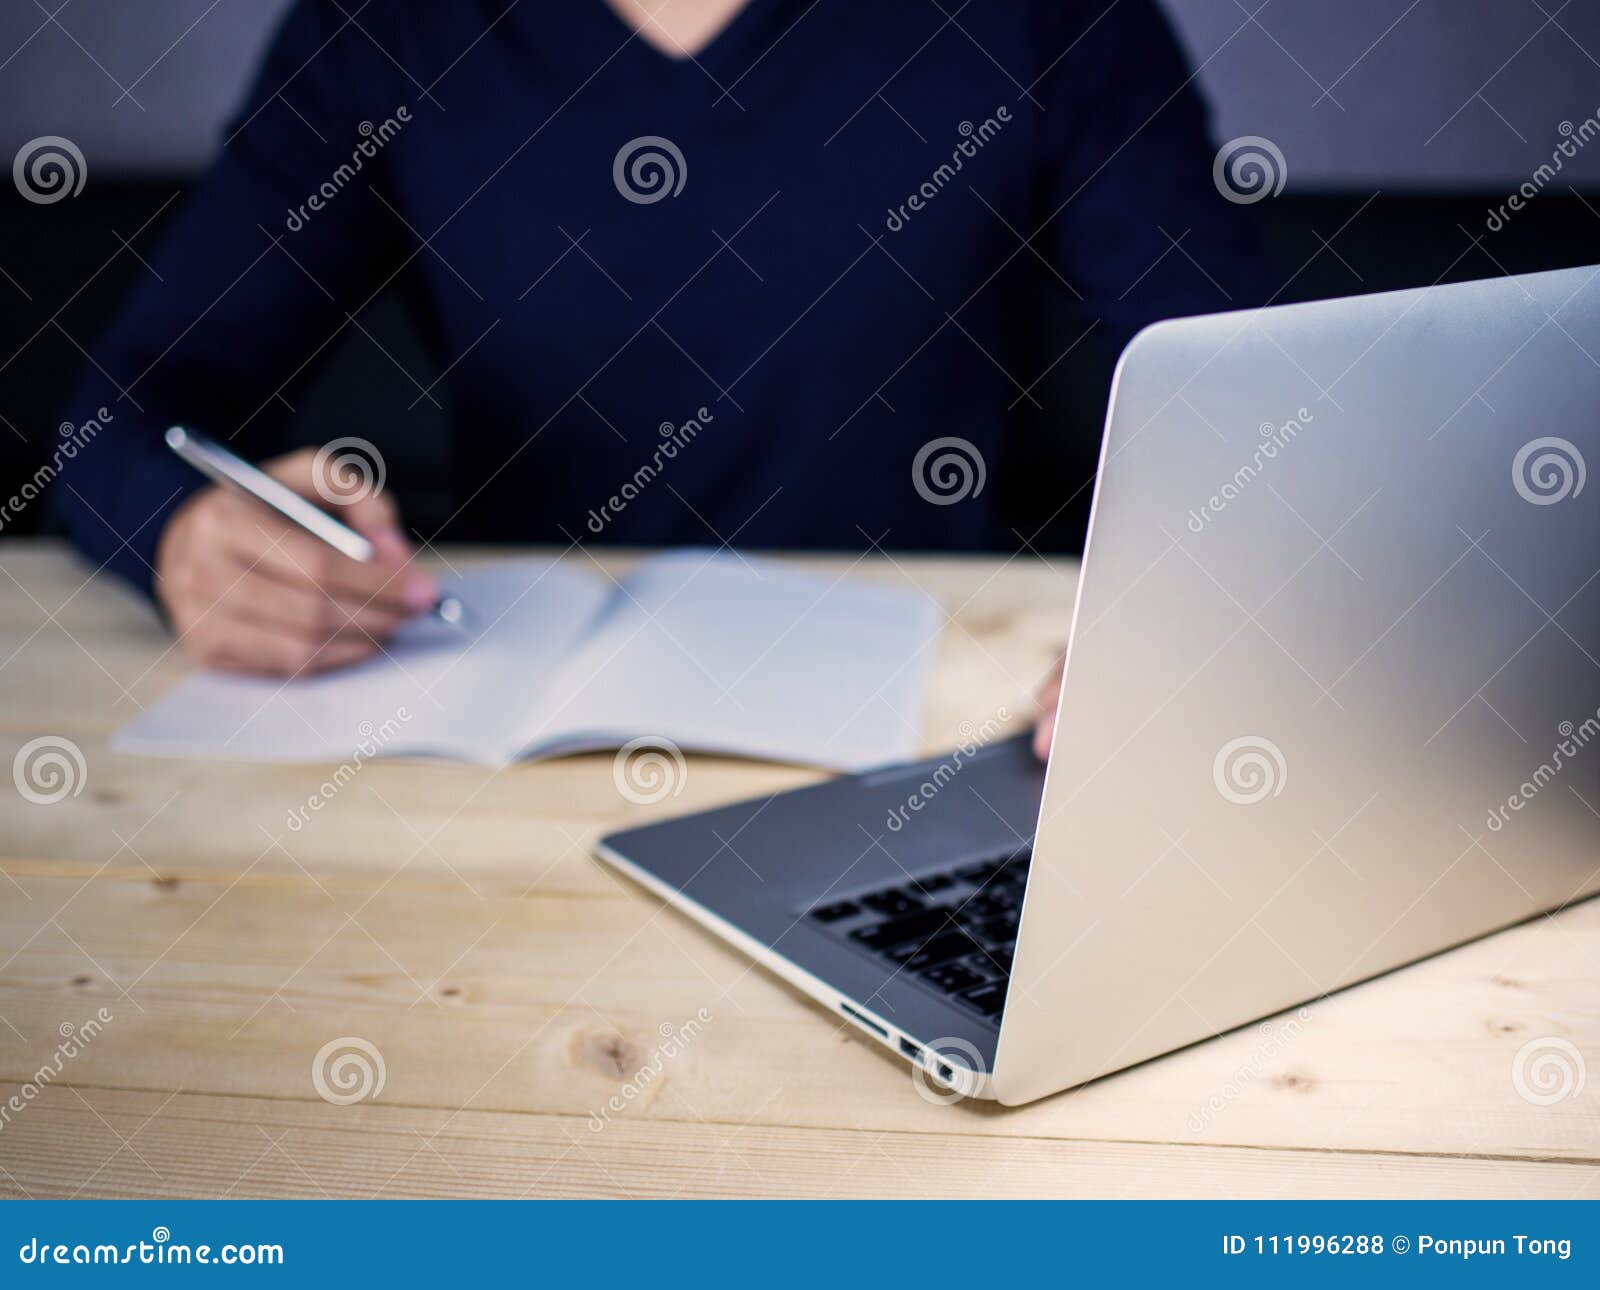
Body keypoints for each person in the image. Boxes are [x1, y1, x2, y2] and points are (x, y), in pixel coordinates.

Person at [57, 0, 1265, 754]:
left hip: (938, 726)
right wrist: (180, 534)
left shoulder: (1048, 15)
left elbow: (1250, 399)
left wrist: (1195, 607)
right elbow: (137, 393)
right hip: (502, 738)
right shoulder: (388, 27)